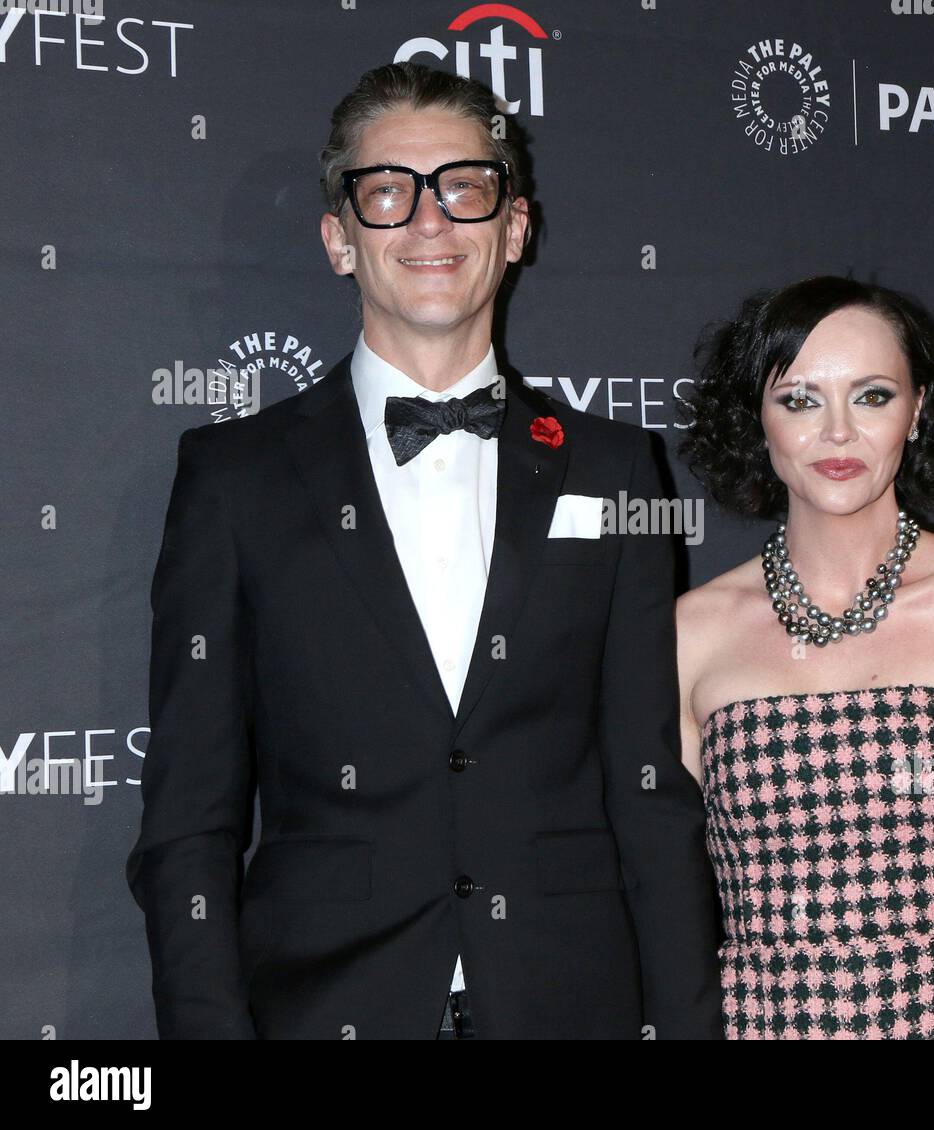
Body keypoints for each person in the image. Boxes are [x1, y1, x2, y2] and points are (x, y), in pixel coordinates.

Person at [125, 61, 723, 1040]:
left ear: (514, 225)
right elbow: (189, 821)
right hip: (323, 1006)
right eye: (389, 193)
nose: (431, 222)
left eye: (465, 187)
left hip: (568, 1005)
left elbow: (651, 797)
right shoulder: (234, 478)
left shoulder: (614, 468)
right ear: (339, 239)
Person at [675, 276, 934, 1038]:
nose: (838, 433)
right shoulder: (690, 633)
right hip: (758, 1024)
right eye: (799, 399)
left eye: (871, 396)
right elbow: (657, 892)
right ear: (756, 418)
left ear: (918, 409)